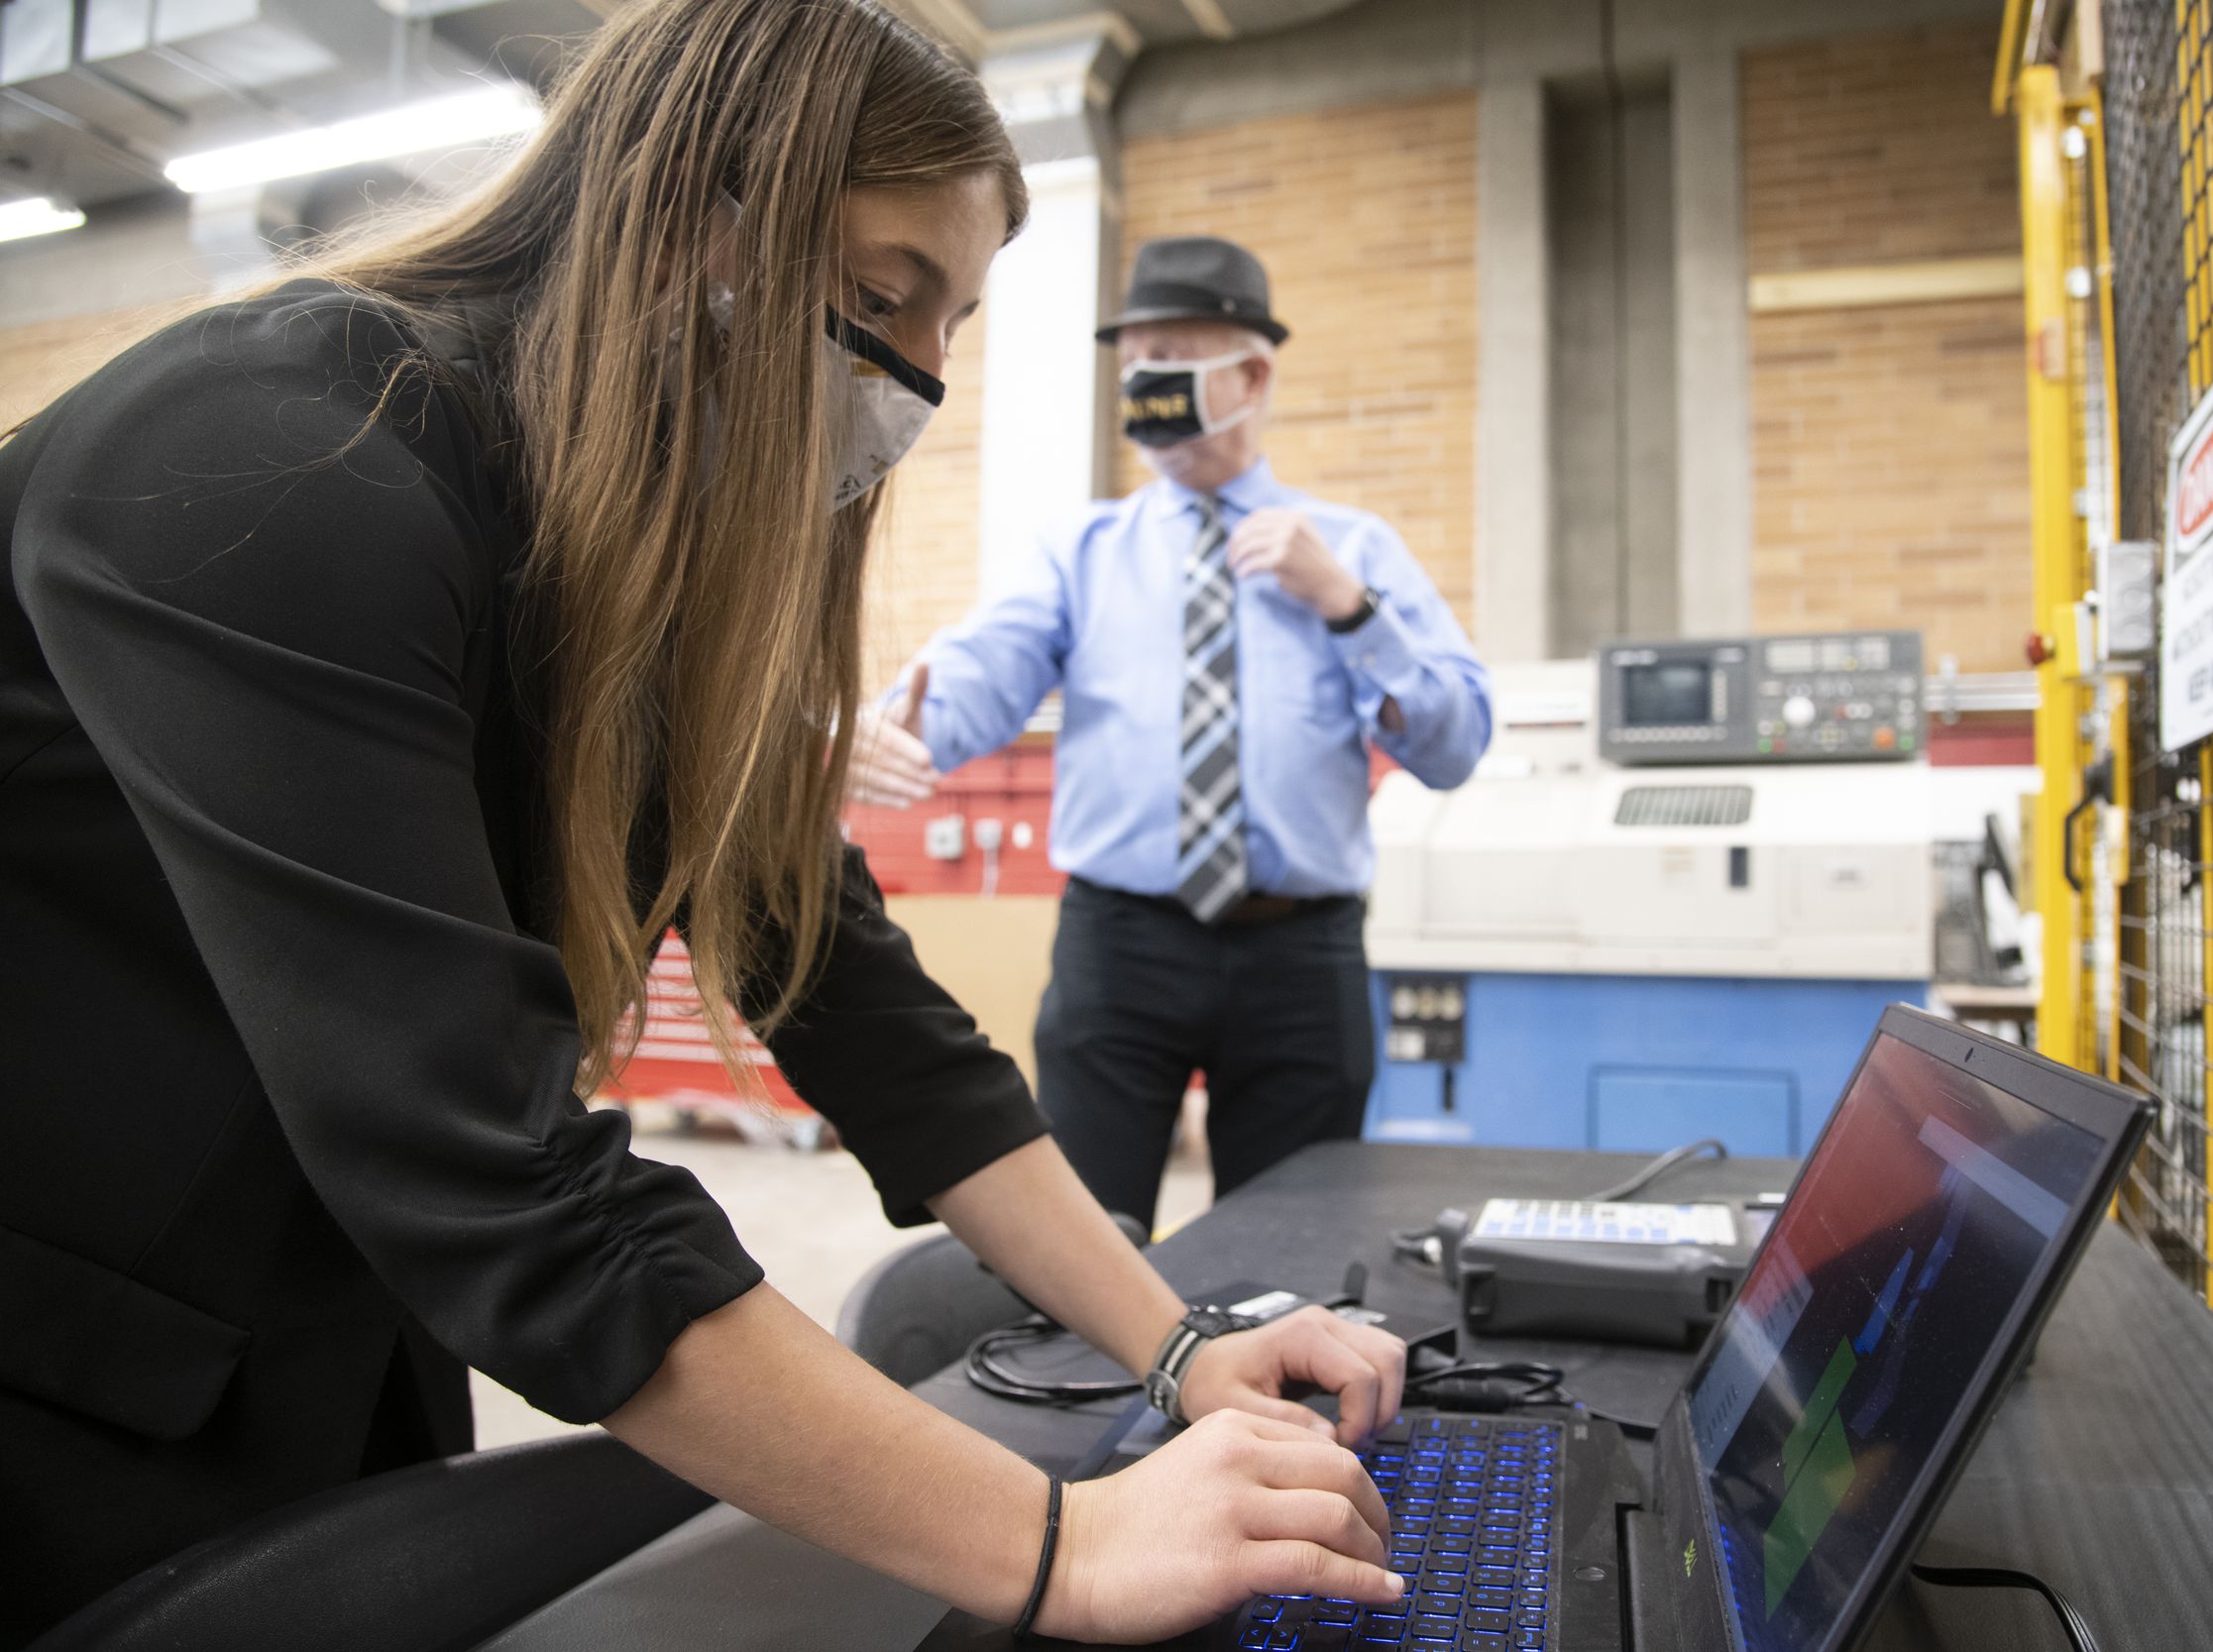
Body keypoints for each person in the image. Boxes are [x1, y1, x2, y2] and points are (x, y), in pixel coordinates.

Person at [0, 5, 1408, 1645]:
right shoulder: (269, 466)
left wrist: (1179, 1343)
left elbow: (865, 1011)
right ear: (671, 210)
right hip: (60, 1363)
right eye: (882, 298)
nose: (918, 379)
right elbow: (503, 1179)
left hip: (329, 1329)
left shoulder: (614, 566)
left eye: (949, 325)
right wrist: (1065, 1544)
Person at [855, 235, 1492, 1232]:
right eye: (1134, 359)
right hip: (1121, 946)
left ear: (1250, 374)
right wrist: (899, 722)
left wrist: (1346, 606)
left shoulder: (1356, 550)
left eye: (1173, 355)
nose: (1144, 380)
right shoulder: (1082, 550)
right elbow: (985, 669)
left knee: (1293, 1247)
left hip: (1300, 956)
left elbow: (1452, 745)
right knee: (1081, 1245)